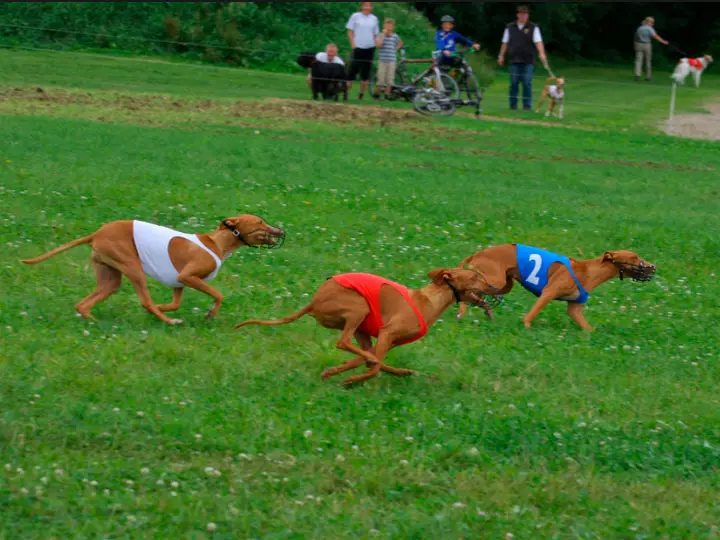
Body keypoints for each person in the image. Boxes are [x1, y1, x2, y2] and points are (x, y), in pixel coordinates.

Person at [498, 5, 548, 111]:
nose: (524, 16)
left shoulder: (533, 27)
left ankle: (527, 106)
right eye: (522, 14)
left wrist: (542, 54)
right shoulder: (510, 27)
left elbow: (538, 42)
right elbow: (505, 42)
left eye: (526, 14)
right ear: (518, 15)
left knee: (527, 82)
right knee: (514, 83)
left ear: (528, 15)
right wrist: (501, 55)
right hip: (514, 59)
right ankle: (513, 106)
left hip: (528, 60)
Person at [346, 2, 379, 100]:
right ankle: (346, 93)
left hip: (370, 48)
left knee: (365, 73)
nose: (367, 7)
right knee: (352, 71)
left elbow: (376, 34)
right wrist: (353, 44)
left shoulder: (374, 18)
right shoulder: (355, 16)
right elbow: (350, 31)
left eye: (369, 5)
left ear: (371, 7)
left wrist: (377, 42)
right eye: (365, 5)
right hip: (358, 47)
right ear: (362, 6)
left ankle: (361, 94)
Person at [373, 18, 403, 99]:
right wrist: (383, 34)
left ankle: (387, 94)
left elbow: (400, 43)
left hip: (392, 60)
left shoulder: (395, 36)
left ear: (393, 27)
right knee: (381, 78)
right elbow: (378, 45)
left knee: (390, 79)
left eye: (390, 25)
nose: (388, 27)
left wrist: (396, 49)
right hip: (382, 60)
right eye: (387, 25)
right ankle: (377, 93)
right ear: (384, 26)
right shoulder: (380, 35)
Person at [634, 17, 669, 82]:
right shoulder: (650, 29)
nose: (653, 24)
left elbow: (636, 37)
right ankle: (648, 77)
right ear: (648, 22)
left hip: (638, 44)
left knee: (638, 60)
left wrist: (635, 45)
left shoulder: (639, 28)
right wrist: (664, 42)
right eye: (652, 22)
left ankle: (637, 75)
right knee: (648, 61)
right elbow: (655, 36)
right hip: (647, 45)